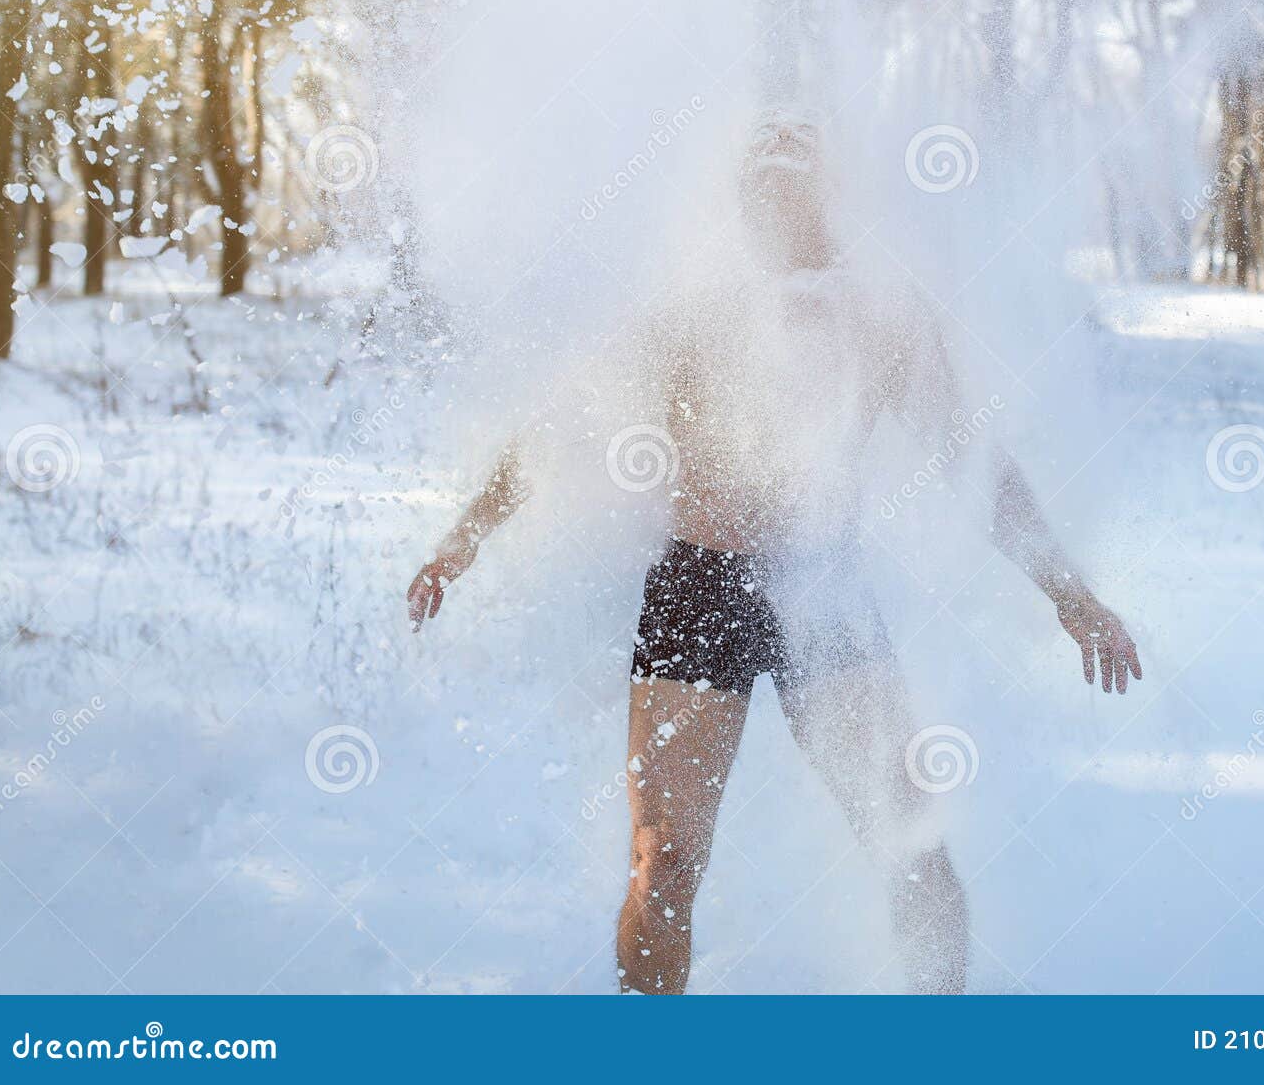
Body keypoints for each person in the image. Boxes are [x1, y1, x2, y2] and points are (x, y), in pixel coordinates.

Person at [405, 109, 1142, 994]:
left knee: (912, 843)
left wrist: (1071, 594)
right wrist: (464, 538)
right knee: (664, 860)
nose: (780, 194)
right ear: (742, 200)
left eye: (799, 175)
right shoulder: (694, 314)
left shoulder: (884, 317)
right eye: (763, 178)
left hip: (824, 590)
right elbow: (561, 428)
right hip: (700, 594)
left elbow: (974, 465)